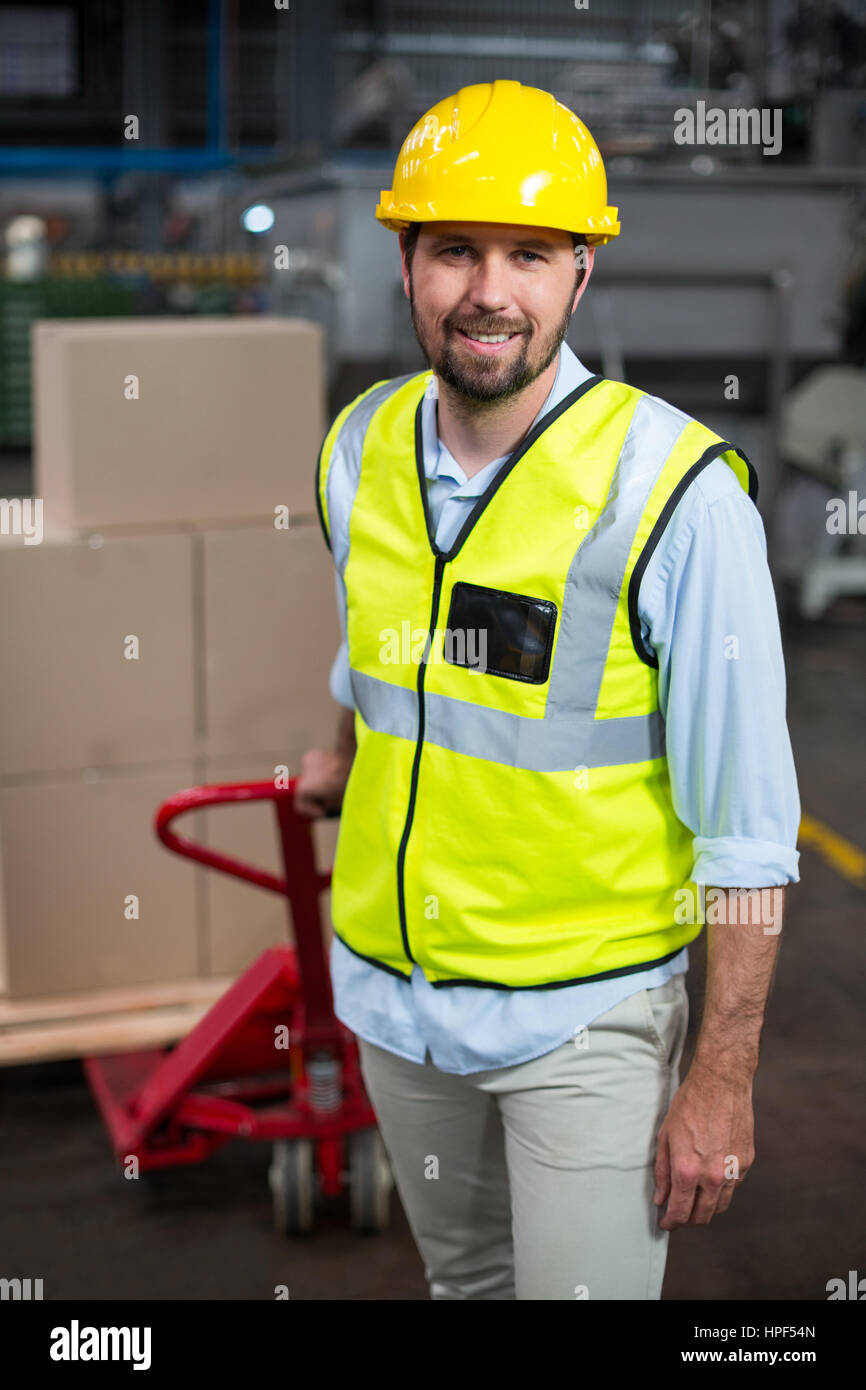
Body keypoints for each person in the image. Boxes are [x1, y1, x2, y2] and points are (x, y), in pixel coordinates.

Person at [296, 80, 800, 1301]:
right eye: (452, 250)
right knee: (464, 1288)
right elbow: (377, 646)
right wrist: (342, 753)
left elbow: (744, 830)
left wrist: (721, 1075)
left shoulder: (673, 496)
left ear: (580, 274)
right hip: (392, 998)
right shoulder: (357, 446)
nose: (487, 290)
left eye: (527, 253)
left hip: (580, 1024)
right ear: (403, 261)